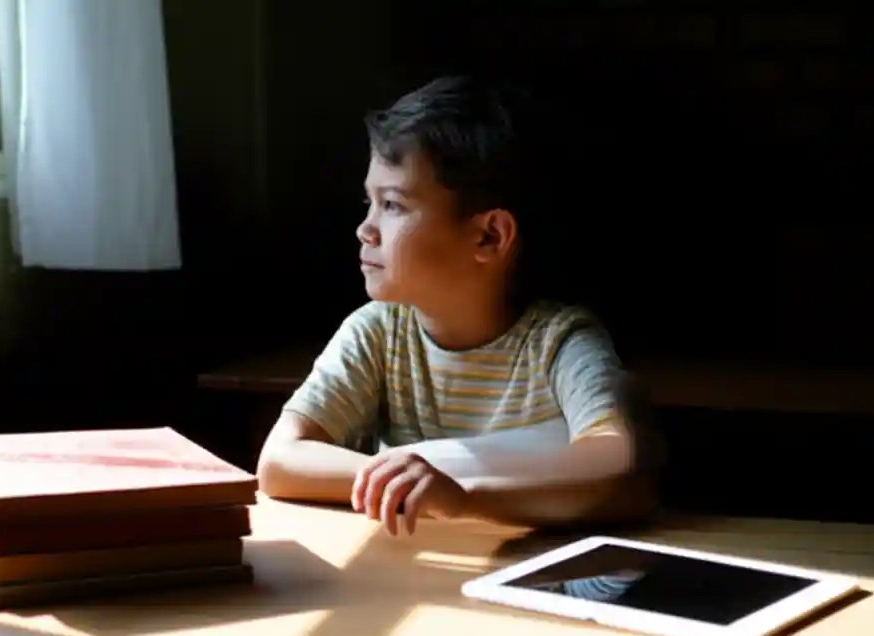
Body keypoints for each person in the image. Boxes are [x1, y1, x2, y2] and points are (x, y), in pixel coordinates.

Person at [256, 75, 661, 536]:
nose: (365, 229)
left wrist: (461, 494)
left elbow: (620, 469)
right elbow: (280, 460)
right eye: (368, 202)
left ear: (489, 236)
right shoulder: (376, 333)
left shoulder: (560, 343)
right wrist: (411, 483)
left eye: (392, 205)